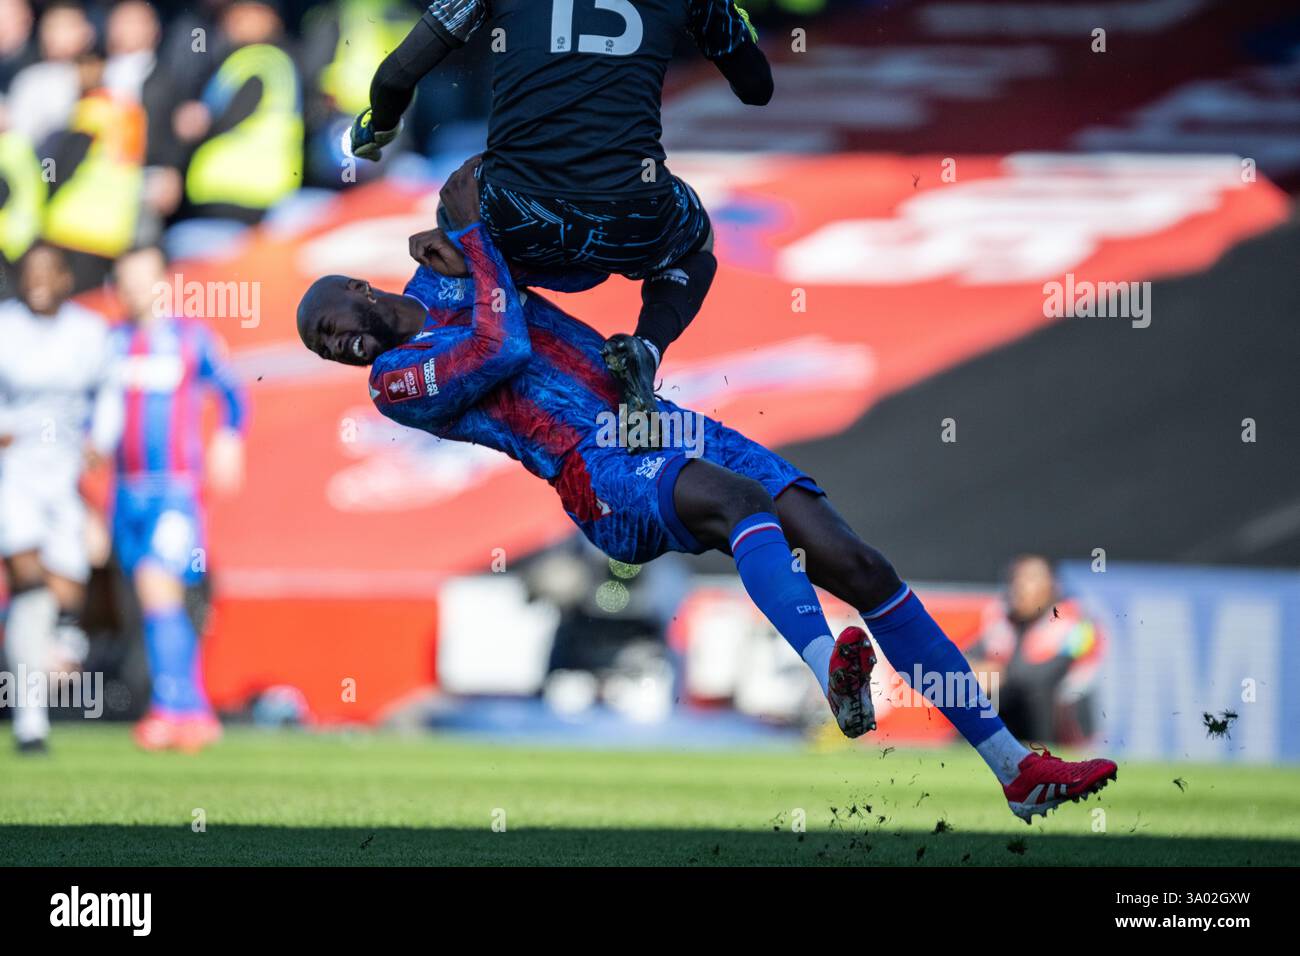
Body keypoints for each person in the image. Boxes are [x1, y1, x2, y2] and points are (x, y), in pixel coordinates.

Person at [294, 160, 1118, 821]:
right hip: (596, 466)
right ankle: (828, 664)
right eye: (325, 347)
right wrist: (473, 239)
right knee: (740, 507)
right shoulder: (396, 383)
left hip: (661, 424)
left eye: (330, 324)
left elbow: (521, 225)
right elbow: (502, 345)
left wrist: (512, 205)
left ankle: (1014, 768)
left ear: (359, 290)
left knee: (859, 565)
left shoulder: (444, 273)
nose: (336, 346)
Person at [349, 1, 776, 418]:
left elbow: (395, 76)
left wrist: (380, 125)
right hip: (628, 218)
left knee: (457, 211)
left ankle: (488, 321)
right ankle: (646, 348)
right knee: (695, 244)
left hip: (514, 216)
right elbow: (757, 88)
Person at [110, 245, 247, 752]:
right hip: (125, 494)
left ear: (163, 282)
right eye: (123, 280)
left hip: (175, 492)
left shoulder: (192, 340)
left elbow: (235, 395)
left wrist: (229, 440)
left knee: (156, 584)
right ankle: (193, 712)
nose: (131, 290)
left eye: (141, 278)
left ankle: (170, 709)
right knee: (150, 597)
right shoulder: (111, 344)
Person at [0, 242, 122, 754]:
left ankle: (57, 650)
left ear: (68, 278)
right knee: (27, 579)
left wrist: (101, 440)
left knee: (62, 594)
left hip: (64, 472)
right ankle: (30, 721)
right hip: (15, 470)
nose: (39, 281)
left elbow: (110, 390)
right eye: (31, 273)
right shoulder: (5, 325)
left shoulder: (88, 332)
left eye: (49, 272)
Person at [969, 555, 1105, 745]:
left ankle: (1045, 761)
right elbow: (970, 656)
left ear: (1051, 586)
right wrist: (975, 670)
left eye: (1030, 579)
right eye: (1016, 578)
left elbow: (1045, 673)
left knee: (1033, 692)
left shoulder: (1075, 621)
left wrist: (996, 673)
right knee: (969, 692)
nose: (1020, 586)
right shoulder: (1002, 618)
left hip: (1061, 719)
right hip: (1012, 706)